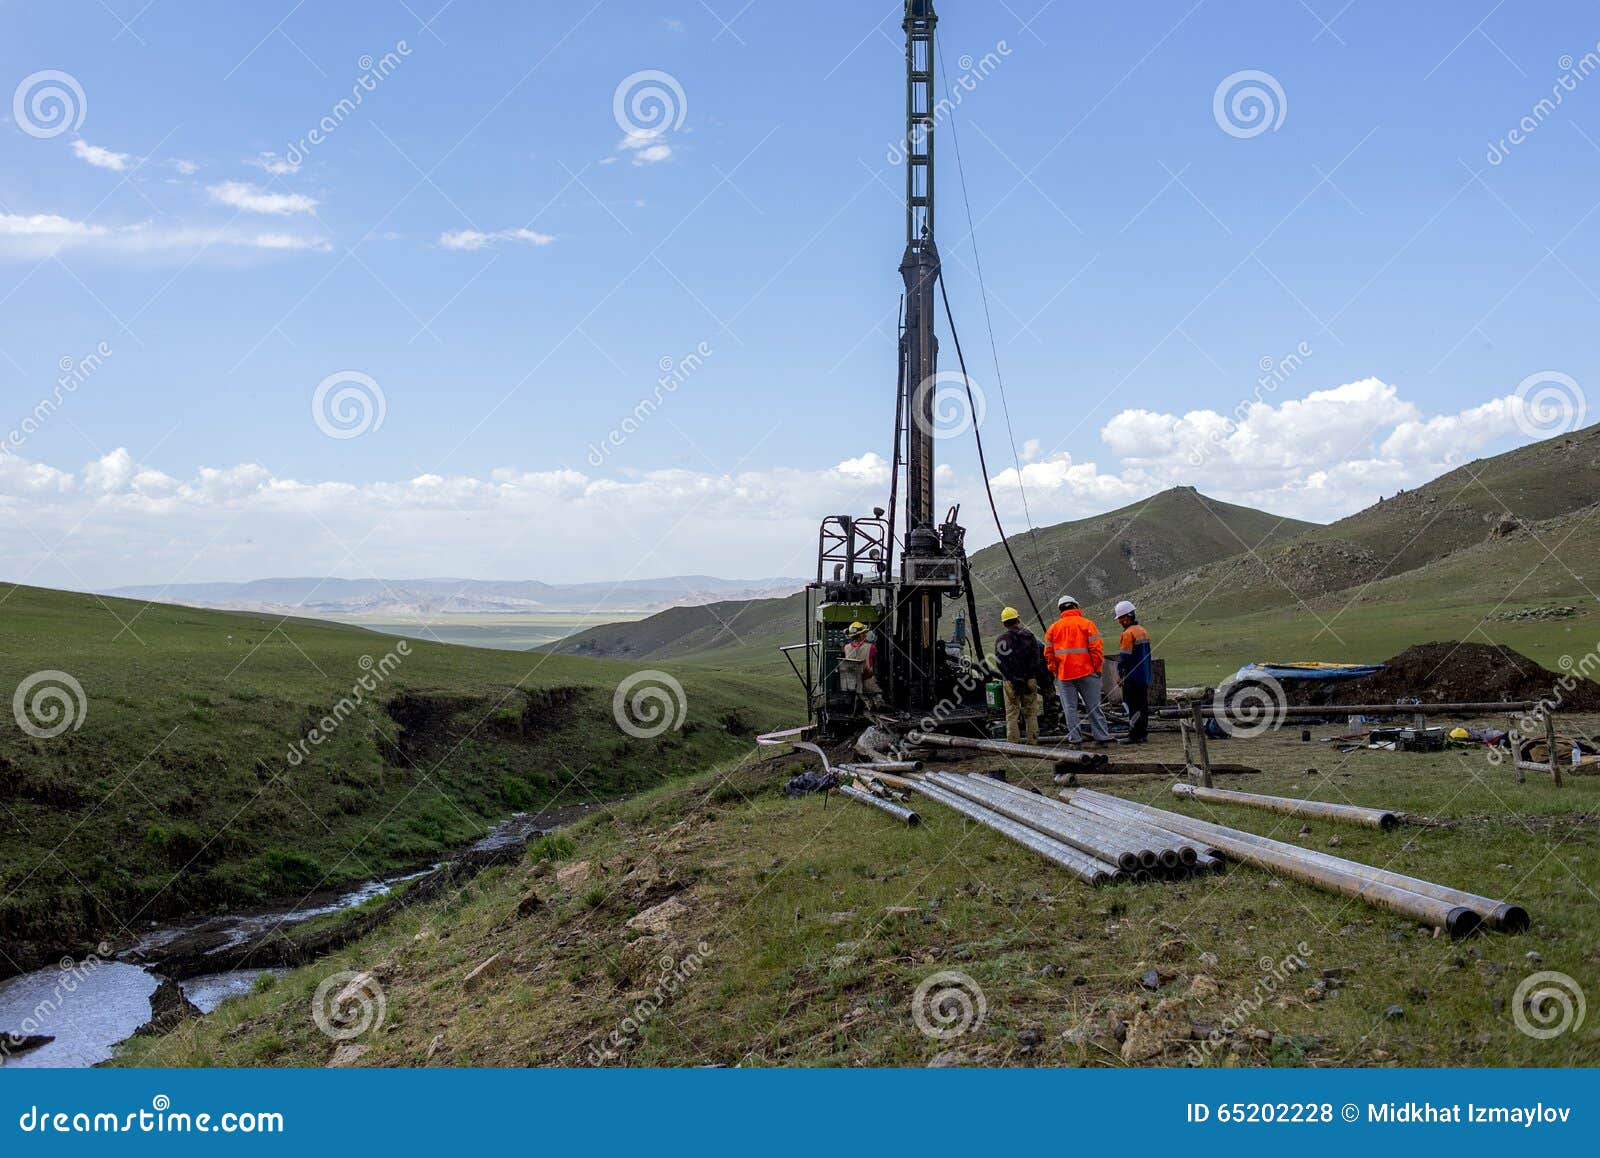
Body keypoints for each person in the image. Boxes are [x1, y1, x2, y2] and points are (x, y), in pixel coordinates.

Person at [1044, 595, 1112, 745]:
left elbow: (1048, 654)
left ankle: (1075, 739)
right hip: (1087, 672)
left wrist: (1055, 670)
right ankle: (1101, 737)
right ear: (1076, 607)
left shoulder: (1053, 629)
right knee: (1094, 706)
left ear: (1060, 610)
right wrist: (1097, 669)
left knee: (1070, 709)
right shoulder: (1087, 624)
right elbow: (1096, 649)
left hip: (1064, 675)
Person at [993, 606, 1041, 745]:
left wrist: (1014, 678)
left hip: (1010, 682)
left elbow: (1000, 663)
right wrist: (1026, 677)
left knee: (1012, 714)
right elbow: (1035, 659)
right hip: (1029, 680)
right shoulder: (1029, 636)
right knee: (1031, 713)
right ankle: (1032, 742)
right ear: (1018, 619)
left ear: (1003, 623)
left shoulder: (1001, 639)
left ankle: (1013, 745)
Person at [1109, 599, 1152, 744]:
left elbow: (1125, 658)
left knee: (1132, 706)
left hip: (1132, 677)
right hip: (1143, 676)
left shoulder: (1128, 634)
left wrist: (1121, 675)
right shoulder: (1142, 631)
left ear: (1129, 616)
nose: (1120, 621)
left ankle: (1134, 735)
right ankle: (1143, 733)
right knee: (1143, 705)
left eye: (1122, 618)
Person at [839, 621, 882, 707]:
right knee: (879, 694)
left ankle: (861, 699)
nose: (866, 635)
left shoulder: (846, 647)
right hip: (867, 682)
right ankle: (875, 704)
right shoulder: (871, 647)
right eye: (864, 633)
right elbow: (875, 662)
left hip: (852, 683)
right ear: (861, 635)